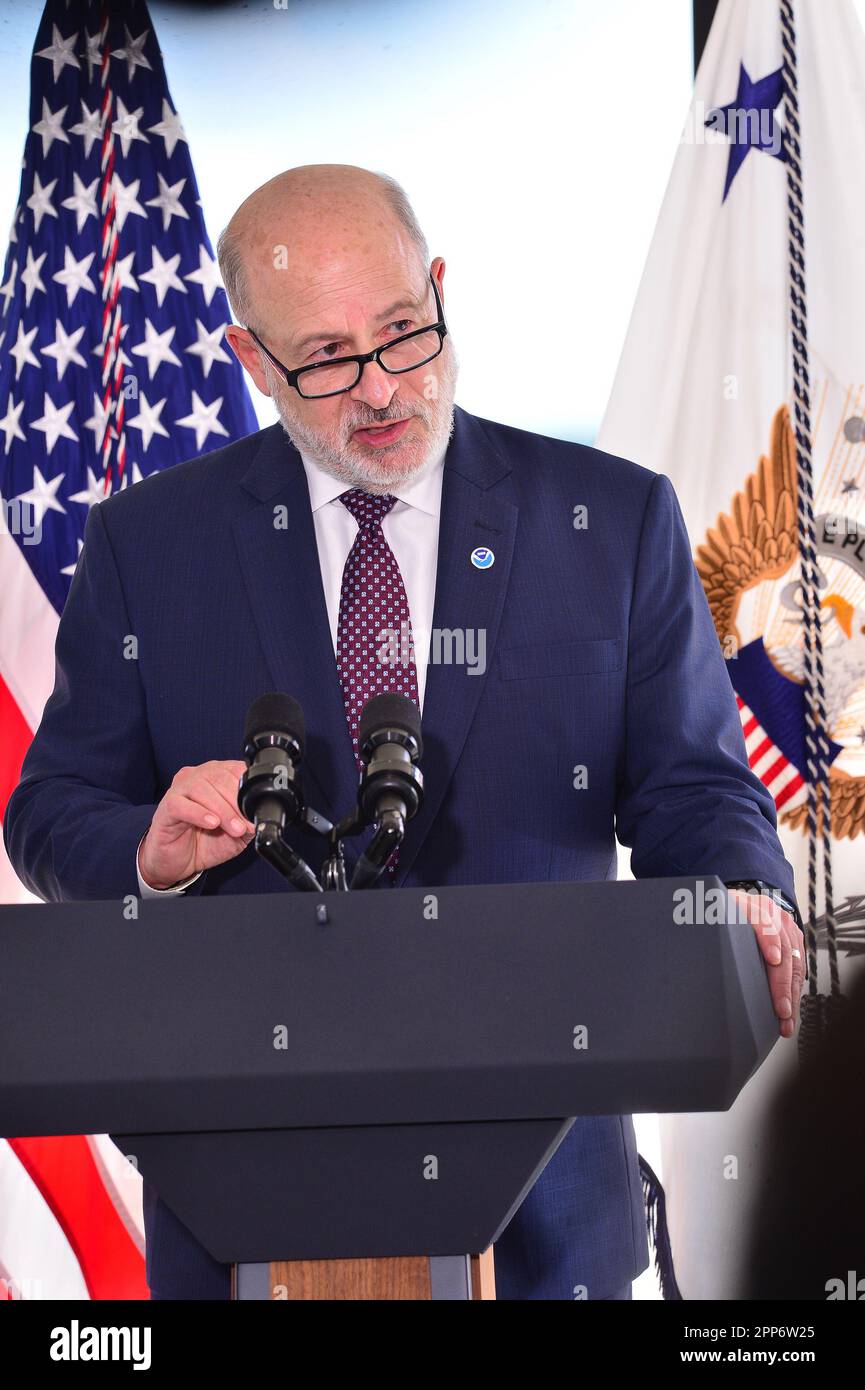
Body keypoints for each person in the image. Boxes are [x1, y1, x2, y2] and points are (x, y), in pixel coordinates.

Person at [4, 164, 805, 1301]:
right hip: (245, 1214)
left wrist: (741, 892)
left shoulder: (609, 521)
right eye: (328, 357)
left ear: (438, 289)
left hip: (550, 1220)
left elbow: (691, 789)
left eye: (403, 332)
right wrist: (149, 849)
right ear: (249, 360)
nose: (381, 388)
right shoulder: (149, 546)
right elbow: (48, 814)